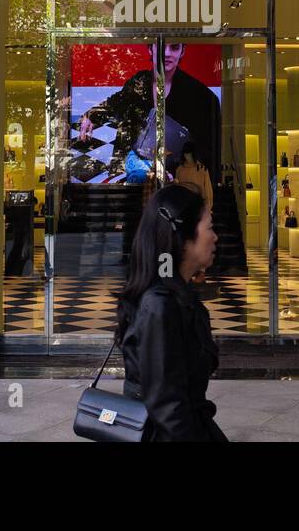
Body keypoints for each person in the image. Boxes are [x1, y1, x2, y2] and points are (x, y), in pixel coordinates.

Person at [116, 183, 226, 441]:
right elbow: (168, 407)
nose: (215, 237)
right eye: (209, 227)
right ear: (184, 240)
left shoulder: (175, 294)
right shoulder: (160, 304)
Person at [78, 42, 221, 178]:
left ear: (182, 51)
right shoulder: (139, 81)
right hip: (130, 175)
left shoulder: (202, 97)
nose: (167, 53)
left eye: (174, 47)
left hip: (172, 182)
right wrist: (91, 116)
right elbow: (116, 101)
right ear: (150, 49)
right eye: (160, 47)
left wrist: (182, 173)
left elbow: (207, 153)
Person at [172, 141, 214, 213]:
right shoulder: (180, 169)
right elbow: (177, 189)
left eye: (189, 154)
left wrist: (208, 208)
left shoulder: (202, 169)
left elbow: (208, 190)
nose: (187, 156)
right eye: (185, 154)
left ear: (193, 154)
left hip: (198, 207)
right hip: (184, 207)